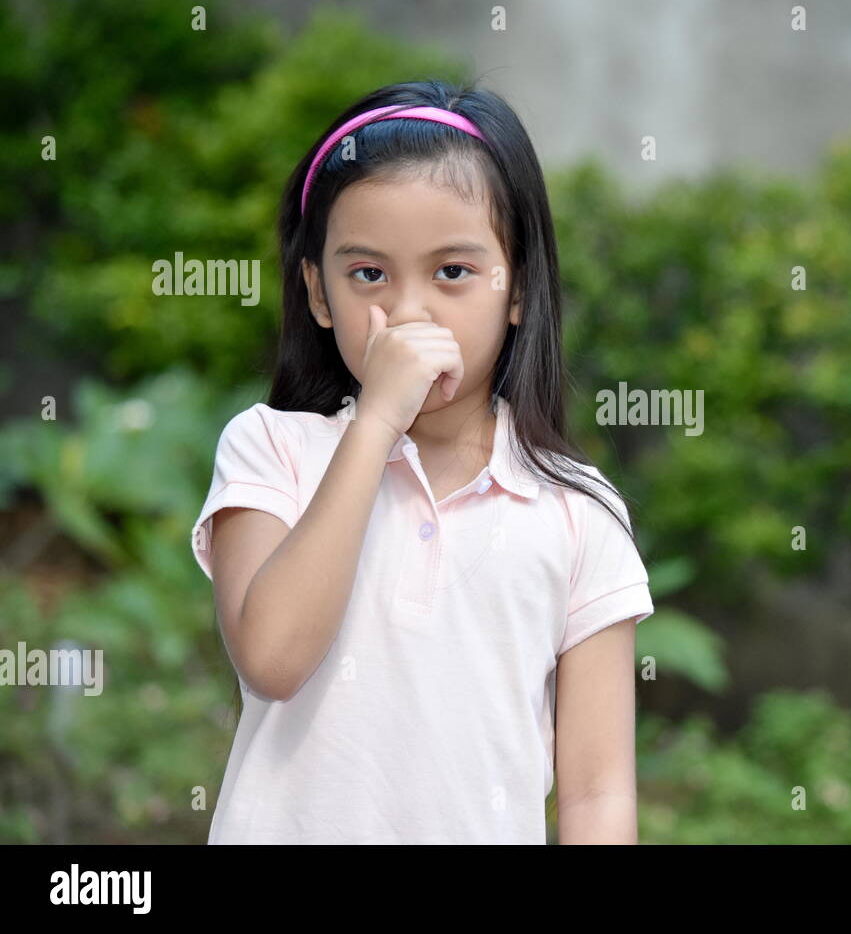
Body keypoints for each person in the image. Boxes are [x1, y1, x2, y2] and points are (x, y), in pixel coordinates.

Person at [190, 78, 655, 844]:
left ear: (518, 290)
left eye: (453, 273)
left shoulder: (578, 512)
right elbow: (271, 659)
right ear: (317, 292)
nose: (409, 313)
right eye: (368, 274)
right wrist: (376, 422)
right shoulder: (271, 449)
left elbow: (598, 791)